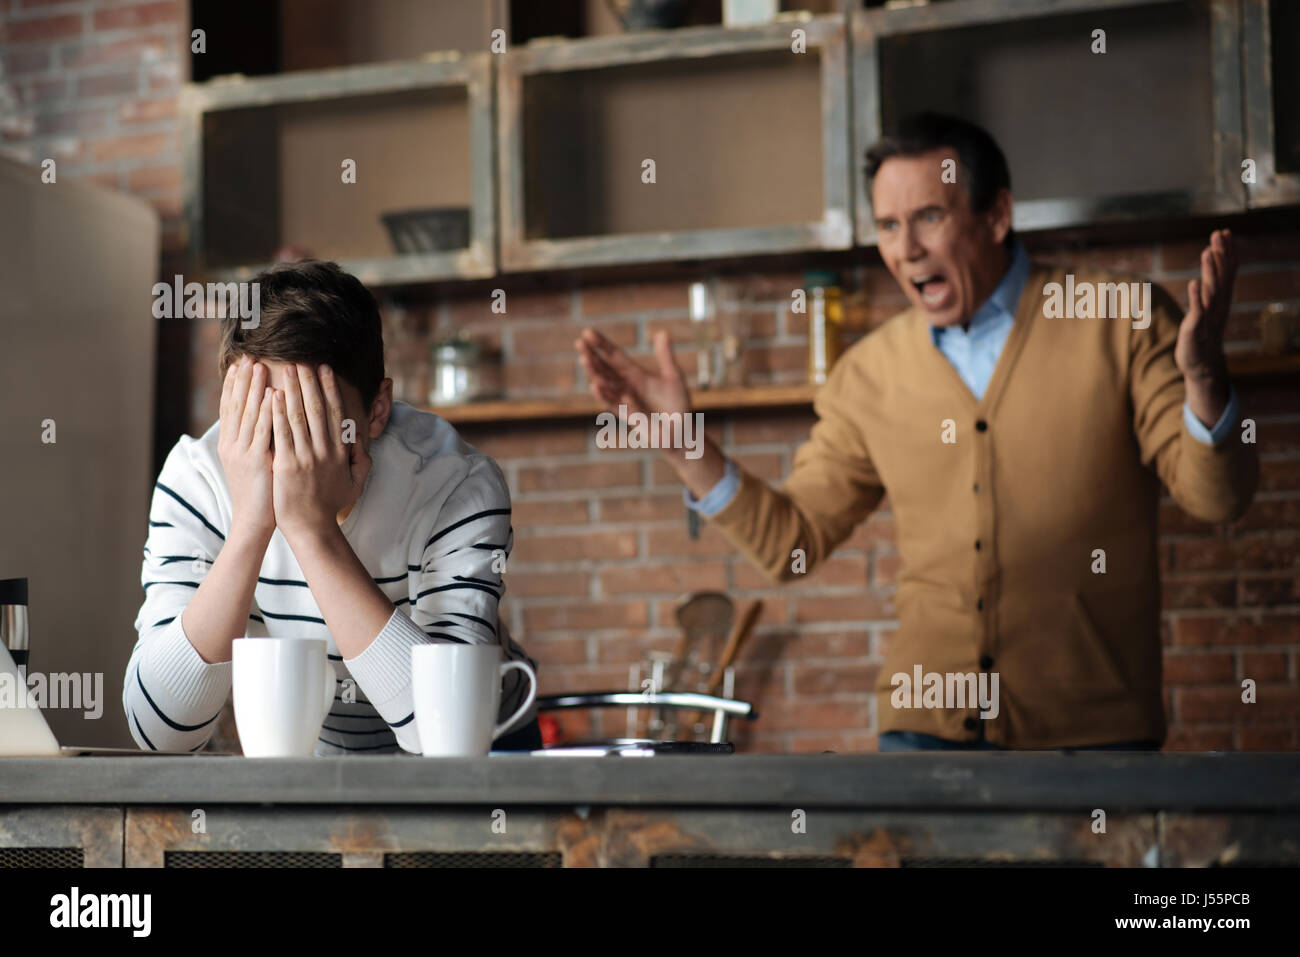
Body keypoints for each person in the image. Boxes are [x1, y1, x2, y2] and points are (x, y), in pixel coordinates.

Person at [576, 112, 1258, 752]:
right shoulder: (867, 373)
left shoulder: (1120, 318)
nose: (906, 250)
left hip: (1093, 737)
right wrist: (683, 444)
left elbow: (1216, 498)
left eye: (929, 217)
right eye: (888, 225)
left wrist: (1205, 380)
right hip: (922, 738)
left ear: (996, 215)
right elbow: (791, 543)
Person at [125, 260, 539, 754]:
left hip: (491, 746)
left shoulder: (458, 483)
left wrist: (311, 531)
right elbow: (160, 733)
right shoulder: (197, 479)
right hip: (314, 756)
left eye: (314, 424)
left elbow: (442, 736)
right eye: (263, 421)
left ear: (377, 410)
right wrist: (251, 527)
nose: (290, 459)